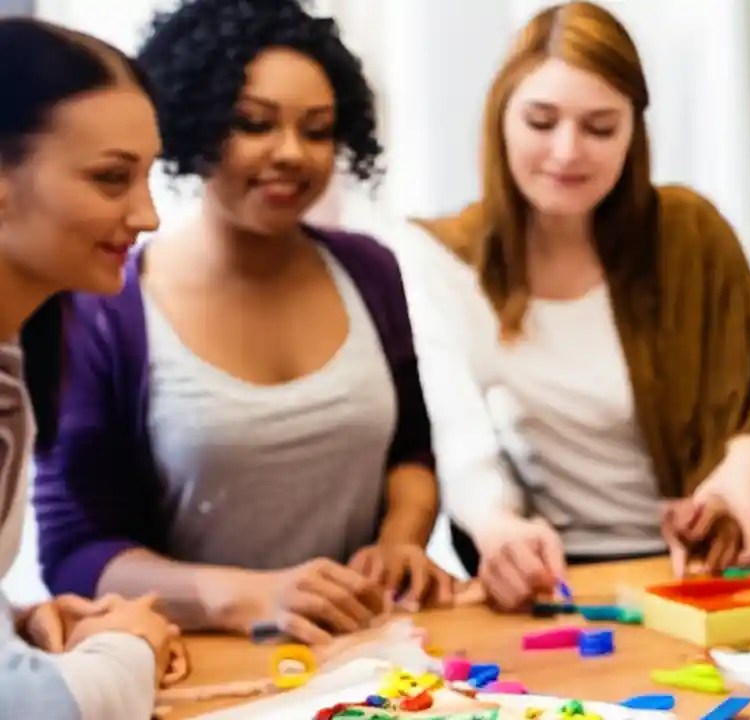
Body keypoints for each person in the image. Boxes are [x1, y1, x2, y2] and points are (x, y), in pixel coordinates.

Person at [33, 0, 453, 647]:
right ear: (192, 125)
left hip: (366, 656)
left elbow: (410, 450)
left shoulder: (369, 270)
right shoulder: (105, 304)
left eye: (317, 130)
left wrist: (401, 539)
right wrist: (247, 595)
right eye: (254, 124)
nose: (291, 153)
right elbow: (78, 553)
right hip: (195, 663)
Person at [394, 0, 750, 611]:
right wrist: (497, 527)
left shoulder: (691, 234)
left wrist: (749, 468)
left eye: (600, 127)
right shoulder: (442, 260)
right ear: (500, 118)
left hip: (706, 569)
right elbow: (461, 440)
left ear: (634, 132)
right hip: (560, 578)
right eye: (541, 121)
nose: (567, 151)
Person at [0, 17, 181, 719]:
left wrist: (16, 623)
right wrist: (129, 646)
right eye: (111, 178)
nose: (148, 215)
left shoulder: (22, 353)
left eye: (147, 176)